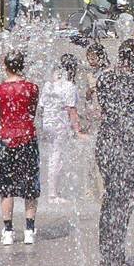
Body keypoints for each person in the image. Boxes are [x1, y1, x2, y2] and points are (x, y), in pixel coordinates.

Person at [94, 40, 134, 266]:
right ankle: (116, 258)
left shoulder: (105, 78)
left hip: (106, 142)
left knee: (111, 200)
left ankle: (107, 255)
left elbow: (103, 109)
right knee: (125, 201)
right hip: (128, 145)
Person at [0, 51, 41, 245]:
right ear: (23, 66)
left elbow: (2, 114)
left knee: (6, 187)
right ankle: (29, 230)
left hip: (5, 139)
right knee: (30, 183)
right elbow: (32, 113)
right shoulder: (32, 88)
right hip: (27, 138)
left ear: (5, 66)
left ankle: (8, 231)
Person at [38, 54, 86, 203]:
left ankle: (54, 190)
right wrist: (78, 131)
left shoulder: (49, 84)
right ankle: (53, 194)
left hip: (48, 123)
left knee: (54, 155)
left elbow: (41, 106)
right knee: (57, 157)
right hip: (59, 124)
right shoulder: (69, 86)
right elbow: (72, 110)